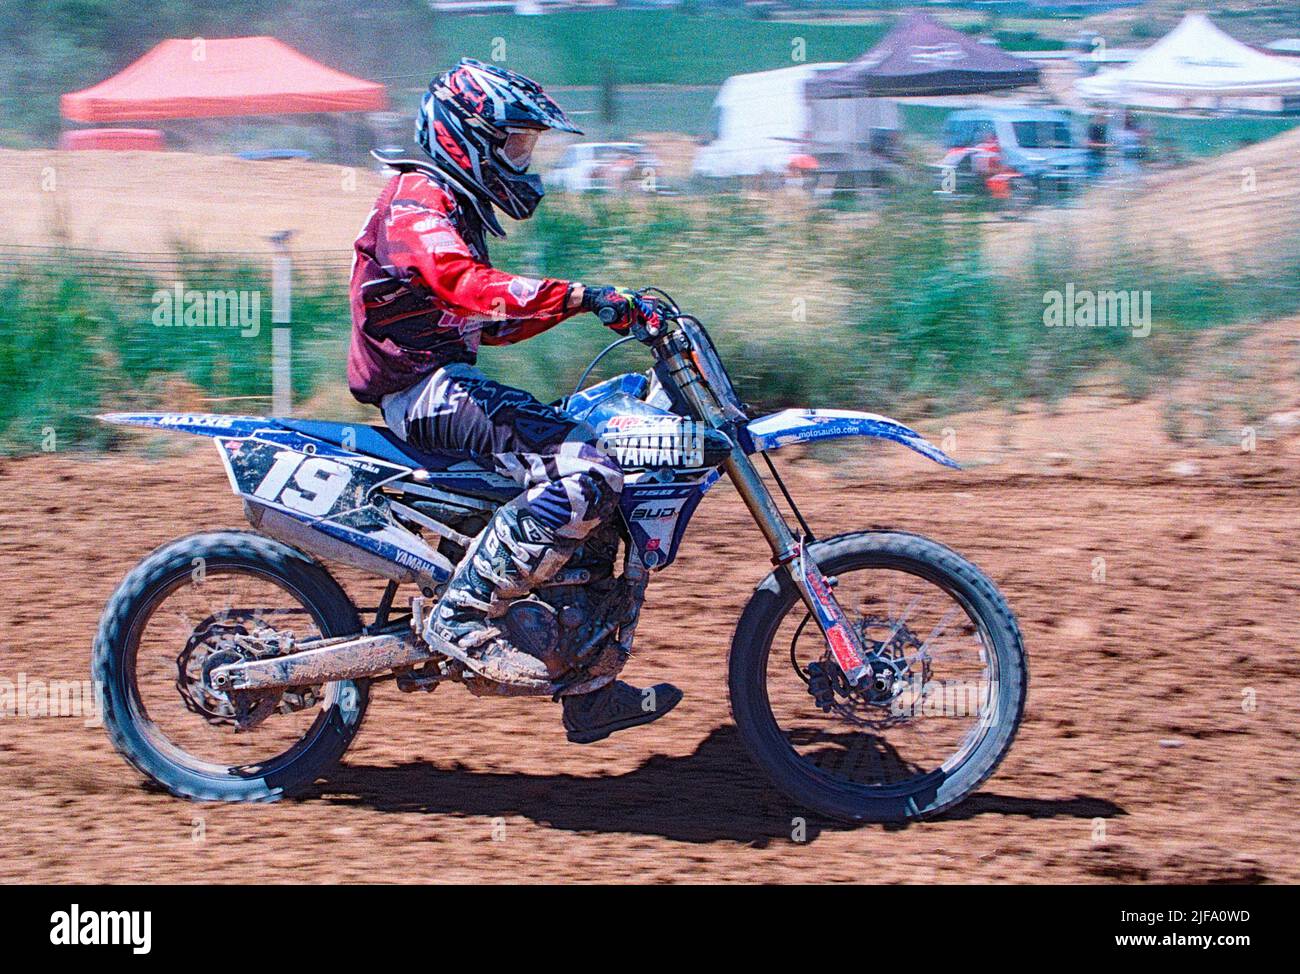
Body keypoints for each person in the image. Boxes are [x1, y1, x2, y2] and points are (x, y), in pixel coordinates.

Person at [347, 58, 682, 743]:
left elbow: (492, 319)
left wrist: (602, 309)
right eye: (514, 144)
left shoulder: (452, 208)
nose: (523, 160)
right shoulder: (417, 202)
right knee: (586, 473)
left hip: (441, 384)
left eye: (527, 145)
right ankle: (462, 615)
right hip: (420, 392)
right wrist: (583, 296)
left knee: (603, 478)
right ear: (463, 135)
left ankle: (587, 687)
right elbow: (466, 286)